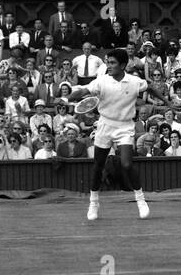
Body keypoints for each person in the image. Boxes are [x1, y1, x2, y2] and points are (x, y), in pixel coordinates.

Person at [67, 48, 170, 221]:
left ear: (123, 65)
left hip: (125, 126)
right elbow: (83, 91)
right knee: (98, 165)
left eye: (113, 63)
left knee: (127, 164)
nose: (109, 65)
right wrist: (69, 96)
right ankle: (93, 201)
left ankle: (140, 199)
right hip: (105, 125)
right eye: (108, 62)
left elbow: (150, 87)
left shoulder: (134, 81)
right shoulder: (101, 81)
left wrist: (168, 102)